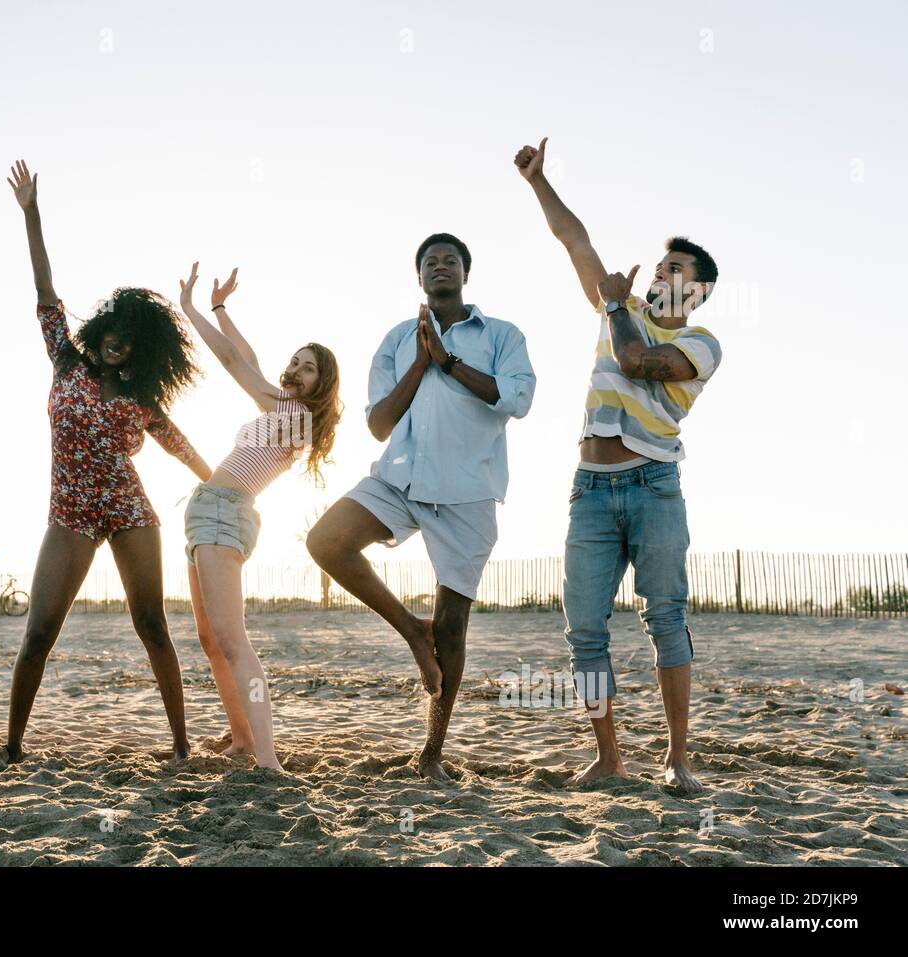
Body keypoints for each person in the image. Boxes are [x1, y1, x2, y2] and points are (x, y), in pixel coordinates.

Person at [513, 136, 722, 793]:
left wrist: (611, 304)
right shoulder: (621, 311)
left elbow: (636, 363)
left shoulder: (699, 343)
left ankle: (678, 759)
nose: (660, 279)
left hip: (655, 488)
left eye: (675, 272)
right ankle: (609, 757)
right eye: (659, 269)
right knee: (584, 631)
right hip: (591, 490)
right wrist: (538, 183)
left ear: (701, 287)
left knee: (666, 619)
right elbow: (575, 241)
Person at [307, 233, 536, 782]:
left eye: (449, 260)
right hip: (400, 478)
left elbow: (519, 400)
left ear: (464, 274)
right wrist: (423, 360)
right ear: (419, 277)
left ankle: (432, 751)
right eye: (429, 262)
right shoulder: (395, 339)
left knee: (453, 628)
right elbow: (378, 423)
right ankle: (411, 629)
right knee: (325, 542)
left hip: (468, 492)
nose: (440, 267)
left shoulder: (502, 335)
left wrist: (449, 362)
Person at [5, 160, 211, 764]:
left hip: (127, 507)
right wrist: (32, 214)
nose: (119, 341)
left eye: (131, 339)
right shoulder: (66, 362)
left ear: (139, 348)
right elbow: (45, 290)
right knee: (40, 631)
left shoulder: (139, 395)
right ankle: (12, 749)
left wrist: (221, 482)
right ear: (98, 331)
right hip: (69, 512)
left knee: (152, 626)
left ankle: (180, 745)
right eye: (113, 331)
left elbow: (175, 441)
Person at [176, 263, 341, 771]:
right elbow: (246, 357)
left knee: (231, 638)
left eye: (307, 366)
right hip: (208, 512)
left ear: (321, 385)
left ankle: (267, 757)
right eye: (294, 361)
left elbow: (231, 362)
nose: (294, 368)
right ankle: (244, 739)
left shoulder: (295, 416)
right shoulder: (279, 405)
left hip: (225, 516)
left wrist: (191, 310)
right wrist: (223, 308)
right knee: (210, 639)